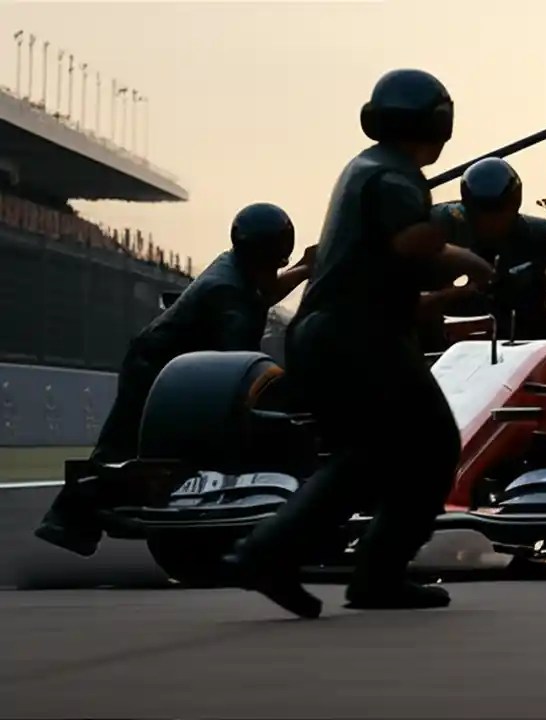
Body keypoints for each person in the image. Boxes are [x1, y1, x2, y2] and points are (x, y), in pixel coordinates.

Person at [222, 68, 495, 619]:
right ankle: (356, 570)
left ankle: (291, 557)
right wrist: (456, 216)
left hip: (328, 337)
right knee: (431, 447)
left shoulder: (365, 169)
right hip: (358, 338)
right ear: (439, 124)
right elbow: (411, 240)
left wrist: (461, 262)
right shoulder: (397, 179)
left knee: (370, 457)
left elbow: (396, 255)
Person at [33, 202, 313, 557]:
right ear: (264, 257)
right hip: (156, 366)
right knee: (125, 447)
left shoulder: (236, 268)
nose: (277, 270)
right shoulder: (227, 295)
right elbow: (241, 366)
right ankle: (71, 520)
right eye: (276, 261)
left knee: (132, 446)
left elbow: (264, 291)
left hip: (171, 364)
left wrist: (304, 268)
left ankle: (79, 520)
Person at [428, 157, 546, 339]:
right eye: (482, 214)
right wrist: (455, 294)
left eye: (498, 213)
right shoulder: (436, 229)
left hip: (525, 351)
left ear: (514, 205)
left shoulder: (541, 235)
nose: (490, 223)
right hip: (444, 352)